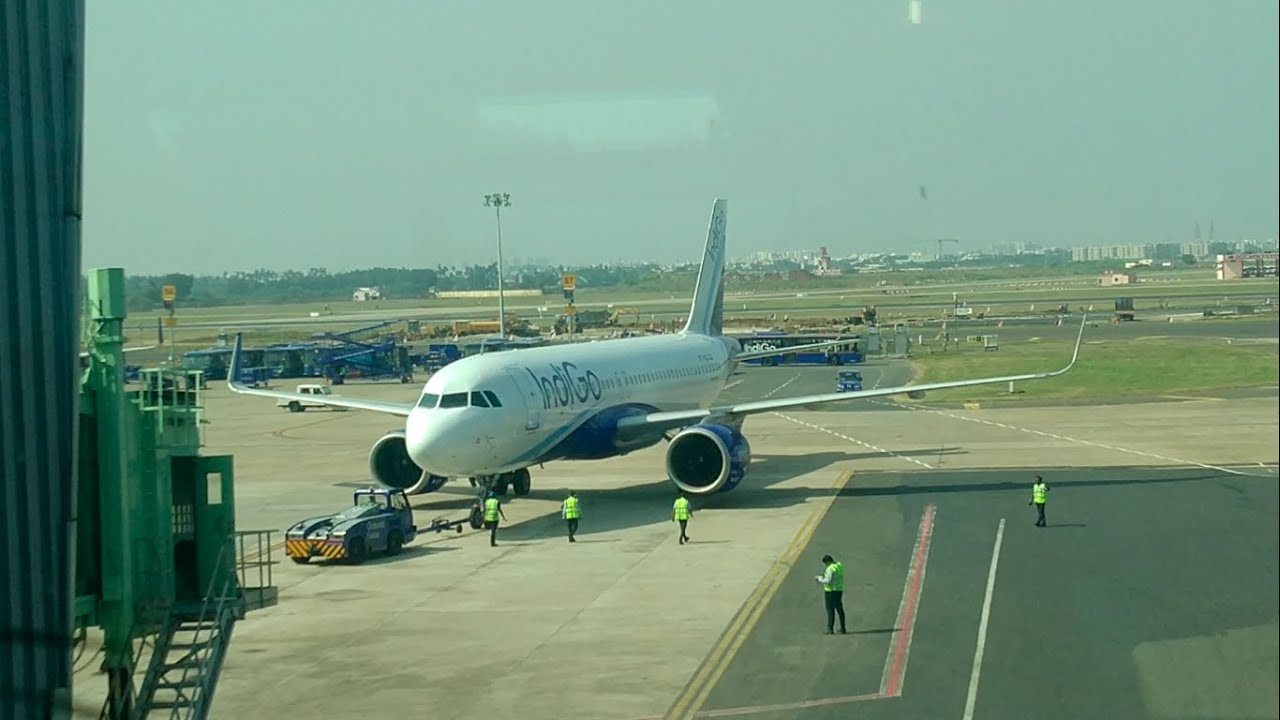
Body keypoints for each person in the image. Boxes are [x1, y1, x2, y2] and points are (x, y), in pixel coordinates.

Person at [815, 555, 847, 634]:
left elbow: (828, 580)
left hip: (830, 591)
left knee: (830, 610)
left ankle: (830, 628)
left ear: (828, 561)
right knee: (840, 609)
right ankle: (843, 628)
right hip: (839, 590)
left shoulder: (830, 568)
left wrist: (819, 579)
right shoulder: (838, 565)